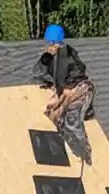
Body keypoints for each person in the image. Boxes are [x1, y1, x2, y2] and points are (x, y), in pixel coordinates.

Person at [33, 24, 95, 164]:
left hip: (79, 90)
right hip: (65, 93)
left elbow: (78, 71)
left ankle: (85, 150)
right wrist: (48, 83)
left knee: (71, 122)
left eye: (51, 44)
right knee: (56, 117)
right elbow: (39, 73)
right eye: (47, 44)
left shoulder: (68, 55)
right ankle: (72, 146)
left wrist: (68, 86)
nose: (49, 47)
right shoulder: (49, 58)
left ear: (58, 43)